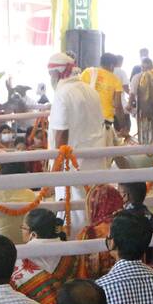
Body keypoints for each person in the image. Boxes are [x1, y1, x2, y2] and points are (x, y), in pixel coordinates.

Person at [47, 52, 106, 224]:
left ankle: (77, 249)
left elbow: (61, 137)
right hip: (96, 163)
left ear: (57, 74)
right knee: (95, 211)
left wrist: (52, 176)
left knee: (74, 217)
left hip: (72, 166)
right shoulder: (90, 90)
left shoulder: (62, 94)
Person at [7, 207, 84, 304]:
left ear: (33, 235)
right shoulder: (73, 253)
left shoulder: (18, 260)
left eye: (23, 227)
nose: (21, 230)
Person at [79, 52, 123, 139]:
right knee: (102, 149)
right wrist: (122, 125)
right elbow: (118, 105)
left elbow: (79, 93)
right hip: (105, 120)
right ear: (111, 65)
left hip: (86, 117)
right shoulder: (115, 80)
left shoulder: (88, 72)